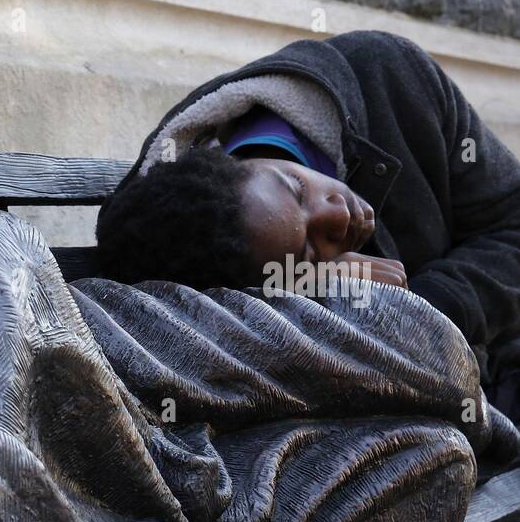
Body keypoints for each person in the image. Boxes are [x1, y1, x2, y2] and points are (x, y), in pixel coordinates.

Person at [93, 30, 520, 421]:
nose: (337, 214)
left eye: (296, 188)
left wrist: (424, 304)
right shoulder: (197, 260)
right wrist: (331, 304)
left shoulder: (389, 76)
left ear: (233, 158)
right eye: (309, 251)